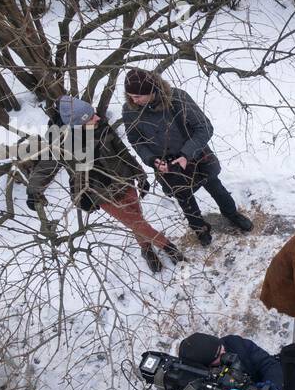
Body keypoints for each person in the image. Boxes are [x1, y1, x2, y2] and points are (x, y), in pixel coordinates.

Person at [28, 95, 182, 273]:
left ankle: (146, 249)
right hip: (100, 192)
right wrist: (33, 191)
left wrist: (140, 175)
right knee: (135, 223)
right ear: (78, 124)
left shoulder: (101, 127)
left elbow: (121, 151)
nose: (98, 118)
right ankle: (168, 247)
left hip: (124, 180)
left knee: (137, 218)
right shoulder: (61, 142)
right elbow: (46, 166)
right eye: (91, 117)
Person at [121, 69, 252, 246]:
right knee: (184, 198)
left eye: (137, 96)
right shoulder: (130, 110)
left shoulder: (177, 99)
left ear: (152, 91)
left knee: (215, 187)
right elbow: (135, 140)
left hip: (195, 155)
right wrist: (152, 159)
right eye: (130, 96)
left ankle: (231, 213)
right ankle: (200, 228)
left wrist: (186, 154)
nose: (133, 100)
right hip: (166, 164)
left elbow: (204, 127)